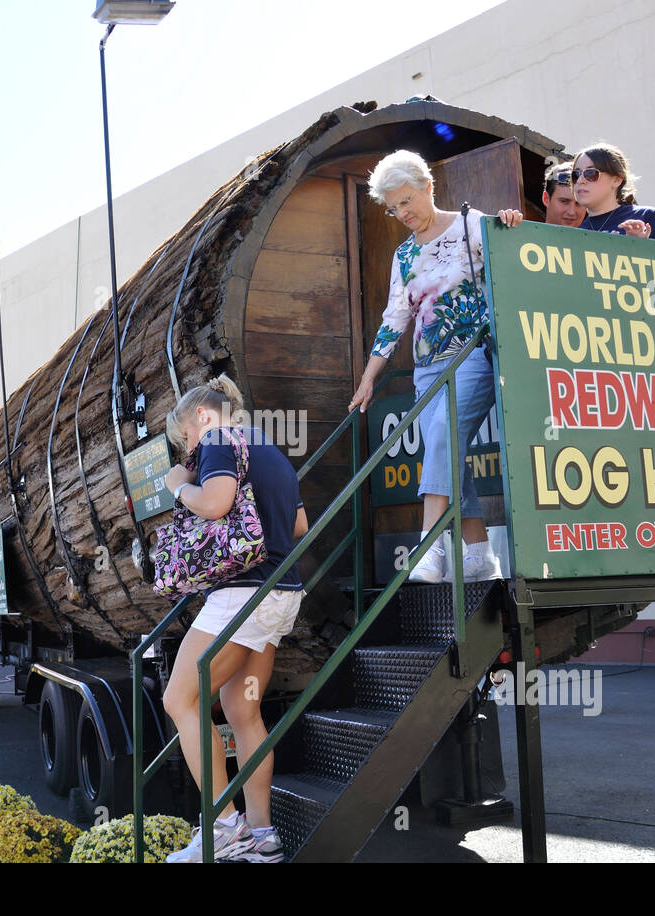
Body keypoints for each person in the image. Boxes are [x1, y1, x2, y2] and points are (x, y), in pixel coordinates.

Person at [348, 149, 522, 583]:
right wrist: (369, 378)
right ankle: (481, 556)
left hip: (473, 356)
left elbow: (513, 264)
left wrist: (511, 226)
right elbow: (394, 319)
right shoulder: (404, 255)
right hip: (427, 368)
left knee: (444, 436)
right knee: (448, 453)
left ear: (428, 186)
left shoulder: (471, 225)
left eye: (406, 200)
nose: (401, 212)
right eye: (392, 207)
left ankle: (430, 549)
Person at [160, 375, 308, 863]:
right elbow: (300, 526)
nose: (190, 449)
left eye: (187, 437)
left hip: (242, 594)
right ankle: (262, 834)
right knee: (243, 711)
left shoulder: (220, 440)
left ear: (202, 415)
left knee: (179, 699)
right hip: (281, 594)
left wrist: (181, 487)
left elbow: (217, 503)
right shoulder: (268, 449)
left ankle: (223, 825)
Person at [571, 142, 655, 241]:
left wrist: (639, 246)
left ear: (617, 179)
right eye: (576, 174)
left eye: (590, 173)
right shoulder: (574, 235)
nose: (580, 181)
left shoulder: (648, 216)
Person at [543, 161, 586, 228]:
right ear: (546, 199)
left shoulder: (601, 237)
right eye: (564, 201)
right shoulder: (523, 237)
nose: (572, 212)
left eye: (579, 203)